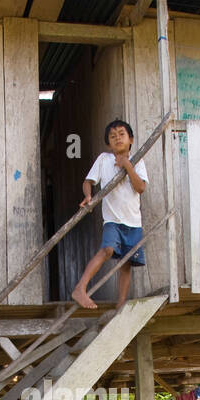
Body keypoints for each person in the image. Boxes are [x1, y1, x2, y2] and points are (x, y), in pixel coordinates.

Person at [71, 119, 148, 309]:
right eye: (113, 136)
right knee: (107, 250)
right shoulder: (104, 160)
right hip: (112, 220)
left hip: (133, 222)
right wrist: (89, 195)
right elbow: (88, 181)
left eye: (121, 134)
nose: (117, 138)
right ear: (108, 143)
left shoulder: (138, 160)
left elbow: (140, 187)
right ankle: (80, 288)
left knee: (126, 262)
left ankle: (120, 305)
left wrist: (127, 166)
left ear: (130, 139)